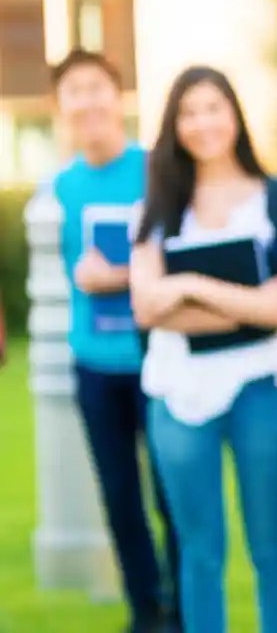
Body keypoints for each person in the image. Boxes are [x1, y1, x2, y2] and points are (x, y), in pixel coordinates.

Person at [129, 66, 277, 633]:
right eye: (189, 111)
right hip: (178, 393)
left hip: (264, 387)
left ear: (235, 114)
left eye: (214, 107)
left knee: (269, 545)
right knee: (199, 551)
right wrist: (244, 303)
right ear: (173, 126)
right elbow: (146, 307)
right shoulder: (157, 208)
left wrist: (190, 285)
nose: (203, 122)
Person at [48, 49, 181, 633]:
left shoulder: (155, 171)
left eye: (97, 87)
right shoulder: (60, 188)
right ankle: (144, 609)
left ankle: (183, 607)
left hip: (158, 356)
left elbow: (180, 261)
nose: (88, 100)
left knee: (170, 490)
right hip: (94, 363)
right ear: (60, 107)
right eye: (74, 90)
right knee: (119, 496)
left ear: (117, 95)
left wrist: (121, 275)